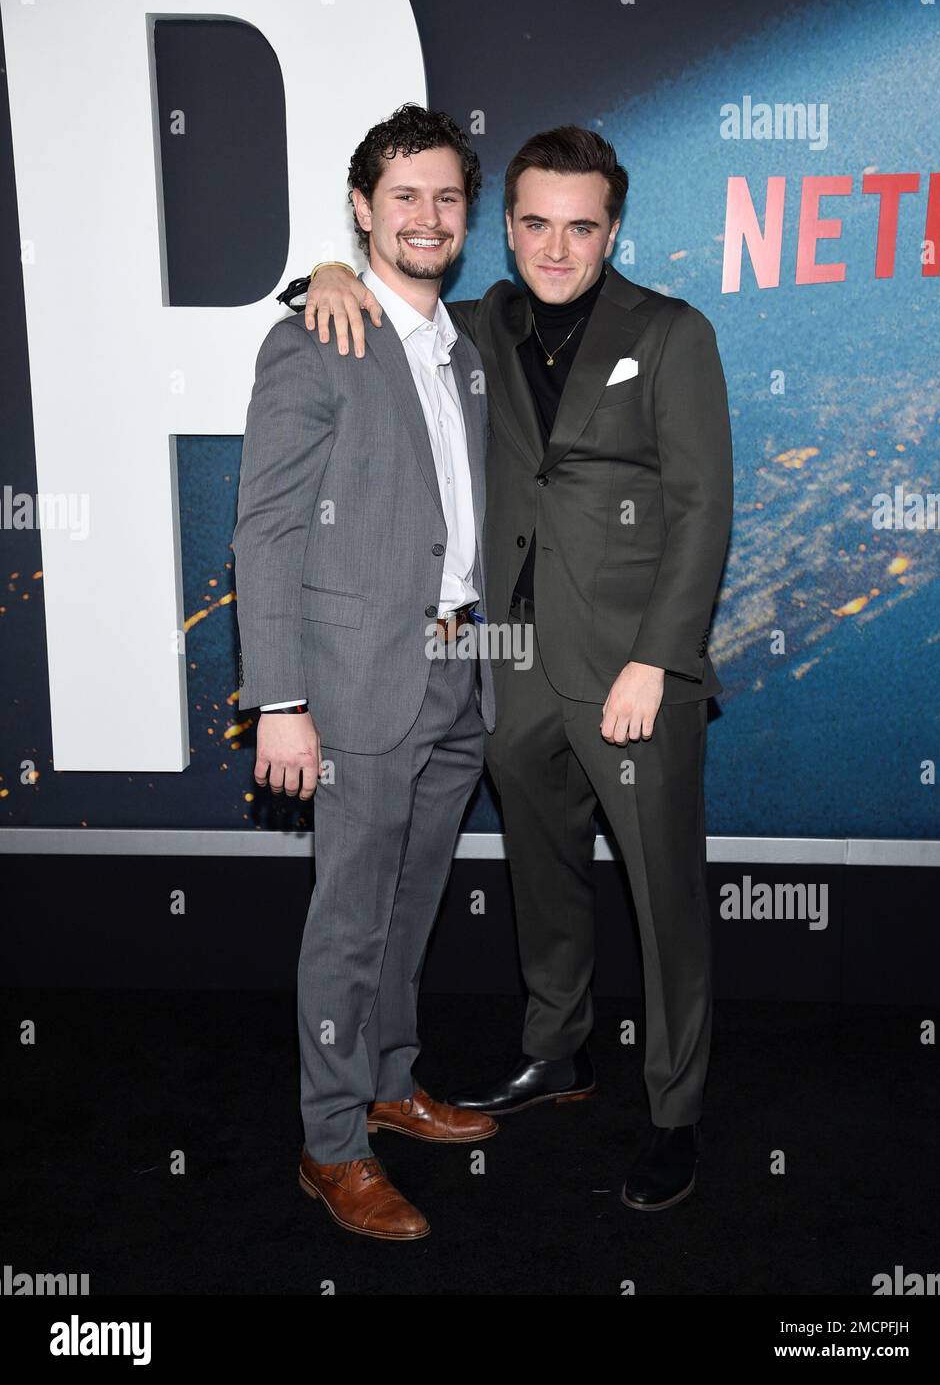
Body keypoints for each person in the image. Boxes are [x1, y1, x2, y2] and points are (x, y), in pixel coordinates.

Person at [281, 124, 733, 1211]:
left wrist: (657, 663)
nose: (556, 246)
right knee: (544, 878)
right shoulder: (477, 322)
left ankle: (674, 1110)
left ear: (611, 228)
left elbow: (701, 511)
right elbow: (360, 290)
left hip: (631, 673)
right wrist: (332, 271)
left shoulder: (670, 333)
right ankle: (559, 1050)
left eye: (581, 226)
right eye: (534, 222)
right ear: (510, 226)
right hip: (508, 663)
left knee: (663, 900)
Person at [233, 103, 498, 1241]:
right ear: (361, 209)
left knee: (411, 905)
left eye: (444, 197)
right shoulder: (313, 337)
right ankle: (330, 1144)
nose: (426, 216)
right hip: (348, 685)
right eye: (403, 196)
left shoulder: (465, 349)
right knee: (347, 919)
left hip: (458, 673)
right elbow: (265, 532)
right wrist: (280, 702)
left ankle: (390, 1080)